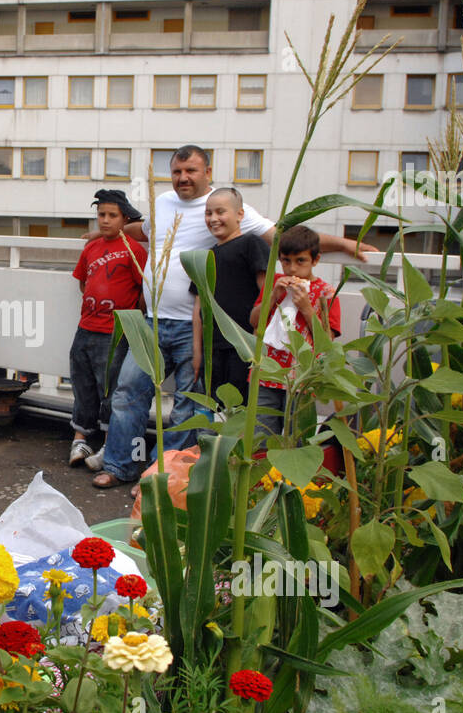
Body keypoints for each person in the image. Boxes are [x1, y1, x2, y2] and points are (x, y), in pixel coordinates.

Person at [93, 144, 371, 488]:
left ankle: (160, 478)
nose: (183, 178)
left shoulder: (229, 209)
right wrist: (101, 234)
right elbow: (141, 230)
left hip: (196, 329)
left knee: (187, 410)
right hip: (150, 321)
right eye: (177, 171)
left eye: (191, 171)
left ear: (207, 173)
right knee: (127, 393)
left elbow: (286, 238)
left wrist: (344, 244)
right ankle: (121, 465)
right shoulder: (163, 203)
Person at [68, 190, 147, 469]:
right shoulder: (91, 247)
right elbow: (82, 280)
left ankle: (108, 443)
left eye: (112, 215)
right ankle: (81, 437)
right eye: (101, 214)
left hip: (114, 333)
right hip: (86, 327)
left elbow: (142, 290)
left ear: (125, 218)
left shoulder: (135, 250)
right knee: (82, 383)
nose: (105, 220)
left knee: (110, 388)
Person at [249, 223, 342, 440]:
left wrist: (307, 309)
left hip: (302, 378)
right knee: (260, 435)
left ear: (315, 260)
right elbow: (254, 321)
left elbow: (327, 341)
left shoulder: (327, 293)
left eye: (300, 261)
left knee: (297, 437)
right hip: (267, 374)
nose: (291, 269)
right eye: (286, 261)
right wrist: (273, 296)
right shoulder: (274, 283)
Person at [189, 187, 268, 409]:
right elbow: (198, 307)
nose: (213, 219)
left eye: (220, 212)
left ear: (240, 214)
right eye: (208, 213)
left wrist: (256, 342)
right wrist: (197, 351)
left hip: (243, 345)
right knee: (217, 408)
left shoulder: (251, 244)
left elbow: (266, 294)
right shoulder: (204, 256)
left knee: (241, 408)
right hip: (213, 348)